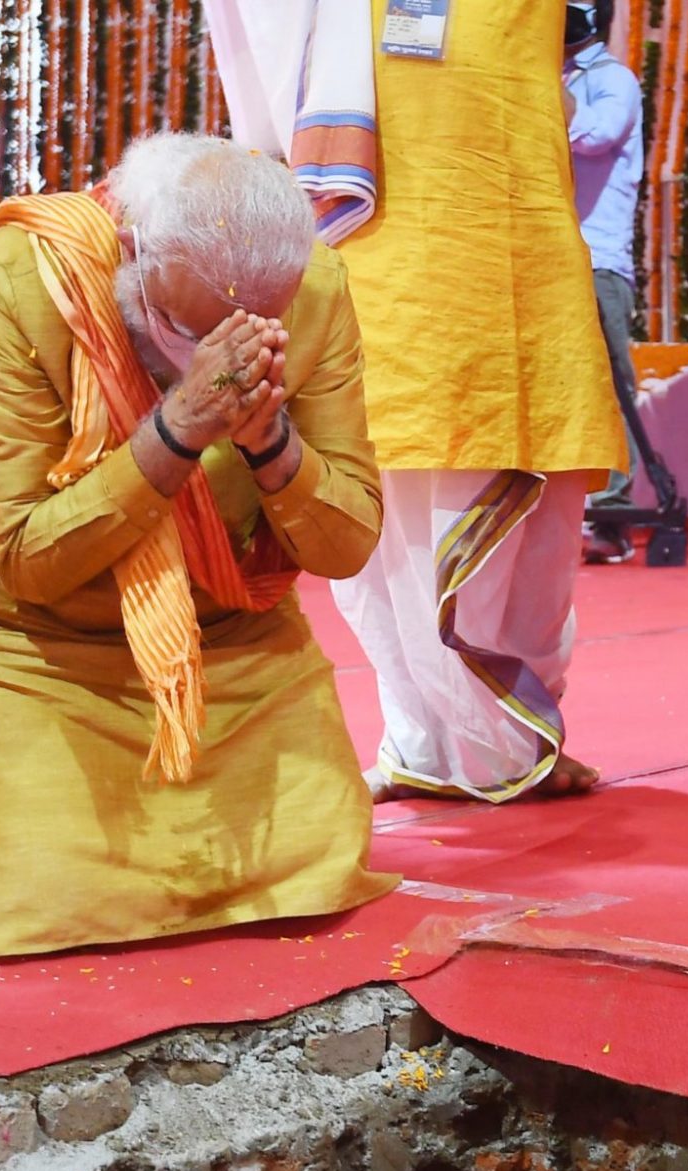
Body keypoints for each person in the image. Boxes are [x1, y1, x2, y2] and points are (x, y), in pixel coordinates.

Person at [0, 134, 395, 957]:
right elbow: (26, 557)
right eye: (179, 327)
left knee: (317, 869)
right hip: (22, 642)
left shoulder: (313, 290)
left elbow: (348, 540)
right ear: (132, 248)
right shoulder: (21, 276)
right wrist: (175, 432)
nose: (202, 357)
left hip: (227, 636)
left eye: (246, 330)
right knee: (46, 904)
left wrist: (271, 443)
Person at [215, 0, 626, 803]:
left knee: (534, 505)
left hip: (513, 230)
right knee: (382, 506)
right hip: (382, 245)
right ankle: (425, 740)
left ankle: (512, 737)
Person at [565, 1, 646, 515]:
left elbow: (597, 136)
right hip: (550, 256)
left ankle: (614, 510)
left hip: (598, 258)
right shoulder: (552, 76)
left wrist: (548, 86)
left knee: (611, 382)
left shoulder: (614, 80)